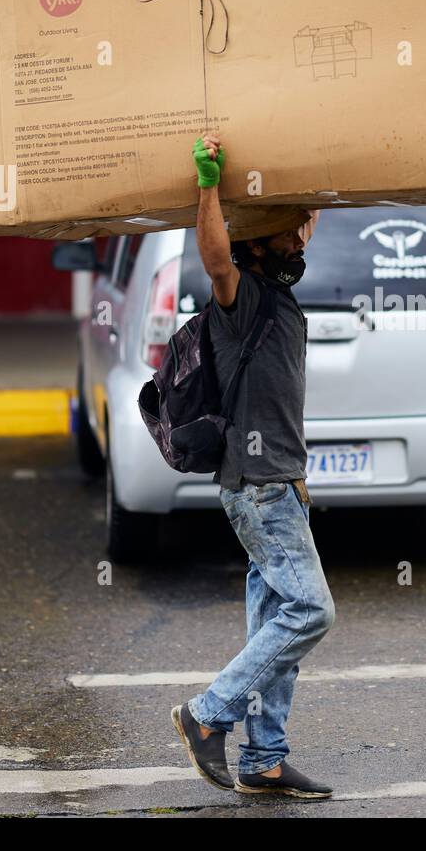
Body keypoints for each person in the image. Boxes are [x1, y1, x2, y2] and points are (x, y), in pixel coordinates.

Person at [170, 133, 336, 801]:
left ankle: (264, 758)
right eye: (289, 238)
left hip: (280, 486)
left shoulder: (279, 291)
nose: (300, 244)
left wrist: (321, 173)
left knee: (276, 621)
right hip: (259, 488)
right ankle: (206, 714)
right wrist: (208, 183)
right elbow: (214, 255)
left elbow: (302, 220)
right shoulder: (238, 300)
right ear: (257, 244)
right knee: (311, 610)